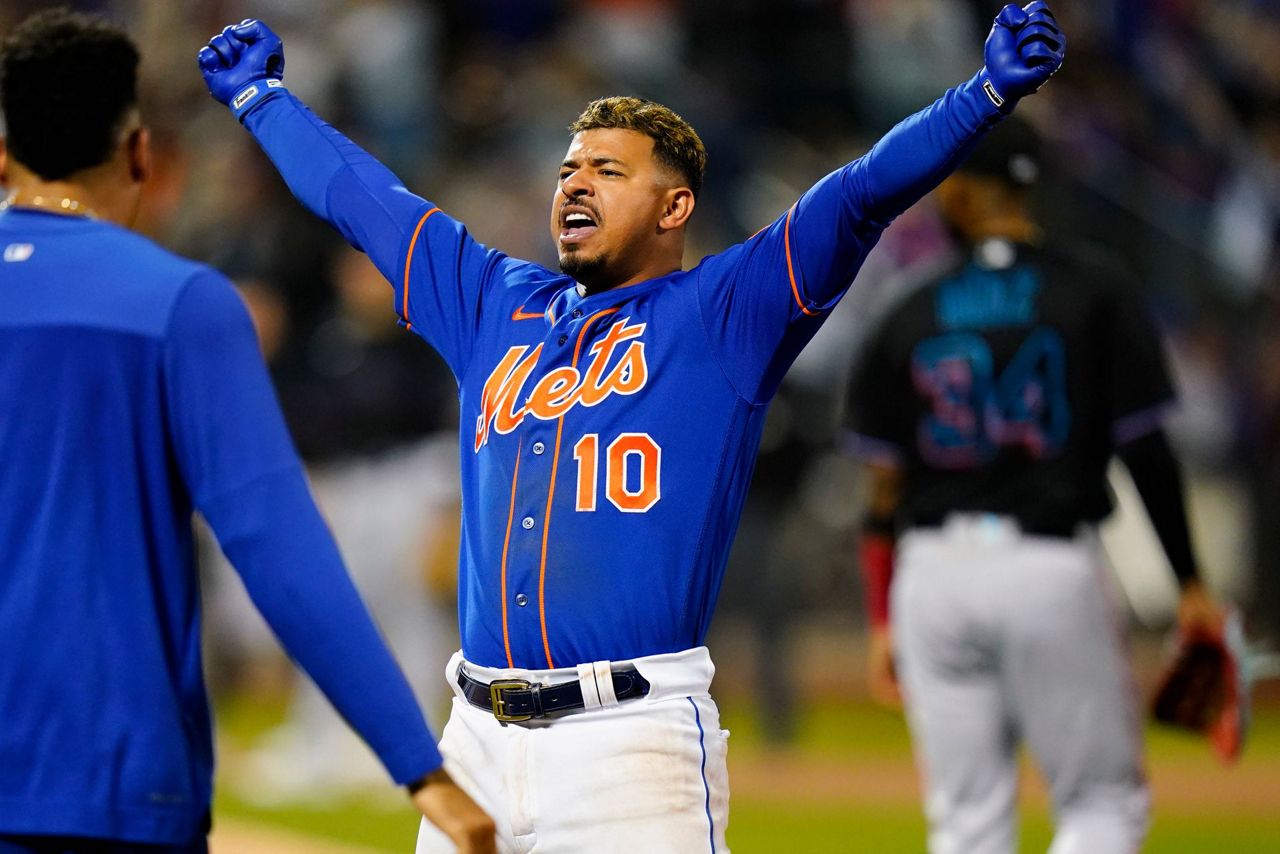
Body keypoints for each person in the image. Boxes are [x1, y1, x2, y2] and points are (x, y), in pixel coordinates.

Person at [197, 4, 1065, 851]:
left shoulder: (725, 313)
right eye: (570, 169)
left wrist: (983, 94)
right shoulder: (493, 303)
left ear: (675, 207)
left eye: (608, 171)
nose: (574, 181)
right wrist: (263, 101)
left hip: (630, 747)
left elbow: (860, 195)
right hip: (474, 740)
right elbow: (364, 199)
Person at [0, 10, 494, 853]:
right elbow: (276, 543)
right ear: (143, 156)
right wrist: (420, 767)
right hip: (105, 781)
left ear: (5, 159)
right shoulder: (178, 303)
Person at [842, 118, 1225, 853]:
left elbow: (882, 488)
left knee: (967, 820)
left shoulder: (906, 307)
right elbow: (1145, 448)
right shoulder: (1093, 288)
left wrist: (882, 615)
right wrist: (1190, 582)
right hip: (1047, 565)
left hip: (931, 576)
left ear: (957, 190)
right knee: (1101, 805)